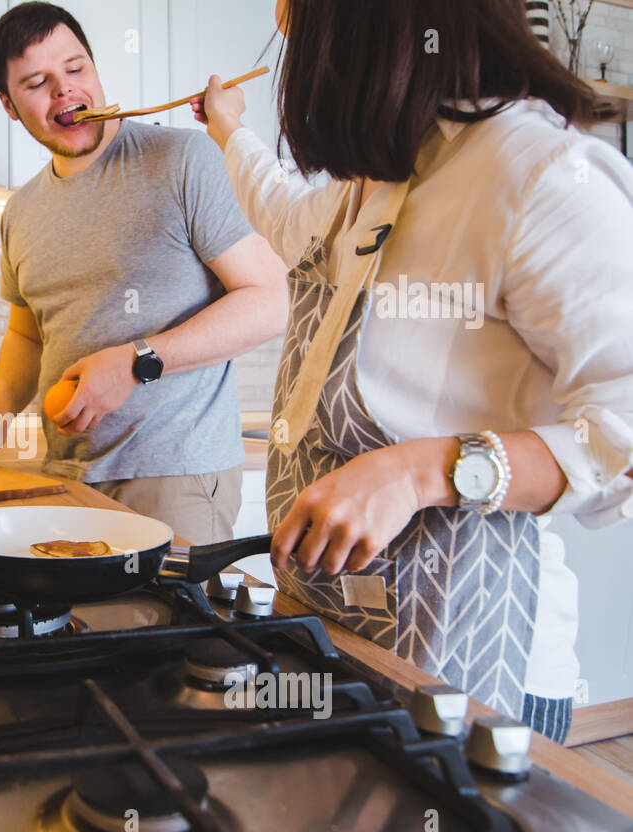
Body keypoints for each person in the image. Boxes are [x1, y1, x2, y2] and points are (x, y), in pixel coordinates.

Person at [193, 0, 633, 742]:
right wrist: (227, 128)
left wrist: (424, 471)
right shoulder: (362, 188)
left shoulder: (537, 175)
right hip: (341, 647)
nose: (280, 16)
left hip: (473, 675)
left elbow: (621, 438)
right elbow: (278, 209)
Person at [0, 1, 290, 546]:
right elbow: (27, 334)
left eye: (75, 68)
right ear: (9, 106)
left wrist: (138, 363)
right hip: (66, 479)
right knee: (80, 633)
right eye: (37, 82)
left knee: (163, 633)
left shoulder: (184, 161)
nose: (64, 91)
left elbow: (271, 299)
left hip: (173, 477)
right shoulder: (21, 210)